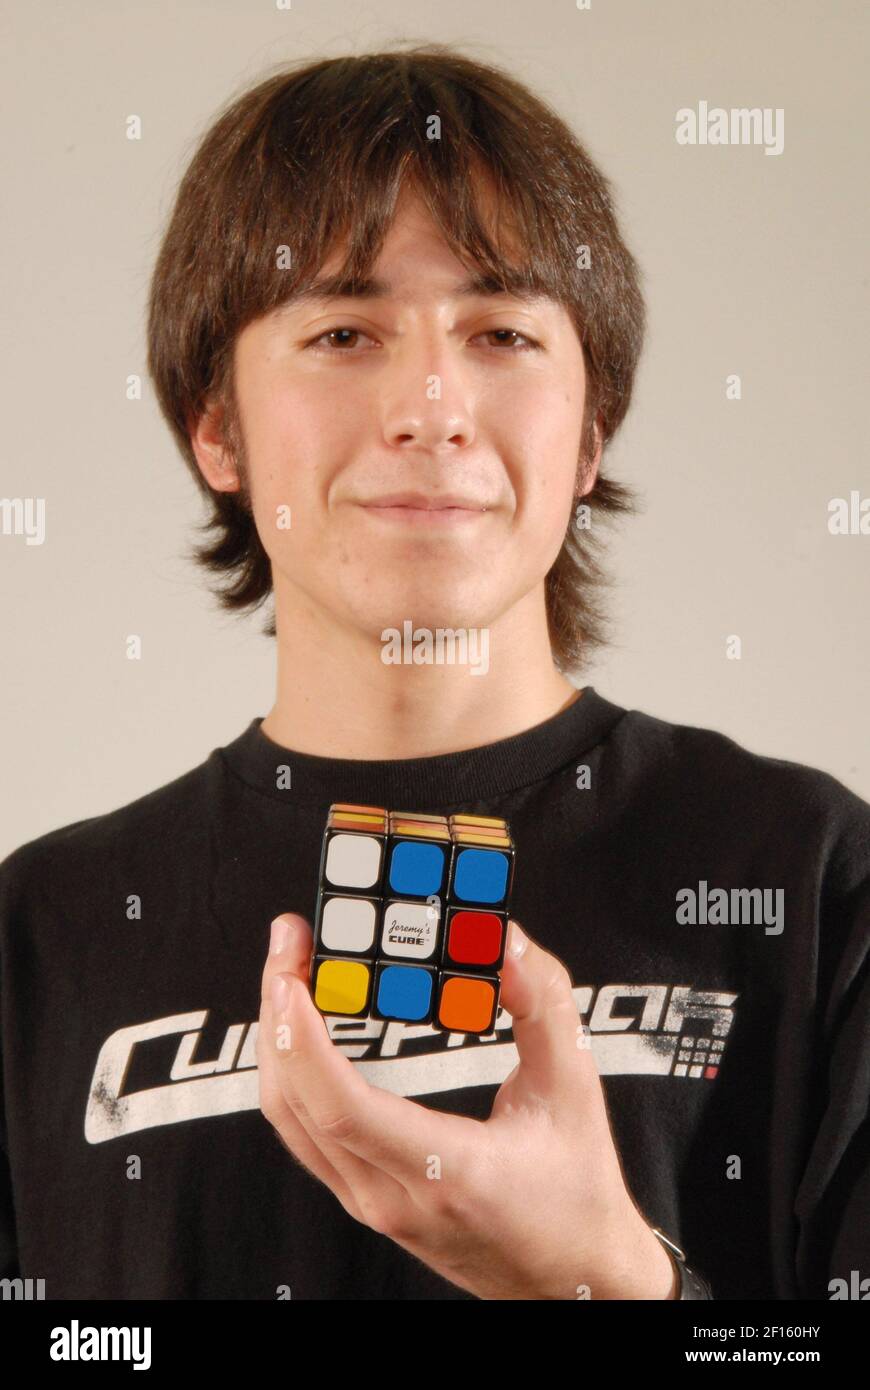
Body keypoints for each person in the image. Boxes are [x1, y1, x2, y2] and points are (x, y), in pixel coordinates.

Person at [1, 45, 867, 1302]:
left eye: (501, 330)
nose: (431, 404)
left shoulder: (807, 876)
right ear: (216, 425)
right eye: (345, 330)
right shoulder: (39, 942)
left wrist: (609, 1283)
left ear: (592, 428)